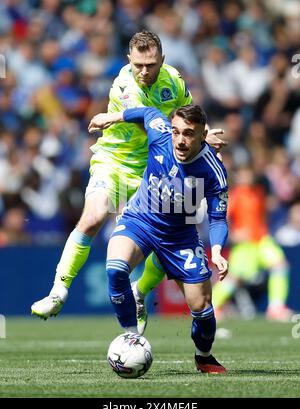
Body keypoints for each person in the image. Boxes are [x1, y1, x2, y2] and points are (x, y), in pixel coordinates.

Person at [31, 30, 226, 324]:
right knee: (95, 216)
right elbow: (149, 122)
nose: (144, 72)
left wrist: (204, 133)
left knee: (171, 229)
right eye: (138, 65)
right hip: (117, 161)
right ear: (129, 61)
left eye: (151, 65)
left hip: (154, 166)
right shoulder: (125, 85)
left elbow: (187, 114)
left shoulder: (173, 79)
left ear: (163, 60)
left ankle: (140, 291)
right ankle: (59, 290)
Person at [92, 104, 229, 373]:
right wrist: (112, 117)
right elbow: (146, 112)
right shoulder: (160, 133)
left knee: (202, 307)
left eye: (189, 134)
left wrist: (217, 251)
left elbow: (218, 218)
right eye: (176, 131)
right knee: (116, 269)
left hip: (180, 237)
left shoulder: (213, 172)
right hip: (140, 219)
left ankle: (204, 356)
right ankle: (131, 336)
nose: (180, 140)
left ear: (204, 135)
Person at [213, 165, 292, 321]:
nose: (247, 177)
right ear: (238, 176)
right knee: (235, 278)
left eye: (249, 173)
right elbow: (221, 218)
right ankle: (211, 307)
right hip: (245, 244)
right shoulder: (234, 196)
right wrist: (234, 235)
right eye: (243, 174)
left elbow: (263, 213)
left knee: (280, 265)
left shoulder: (259, 192)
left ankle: (276, 307)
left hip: (262, 239)